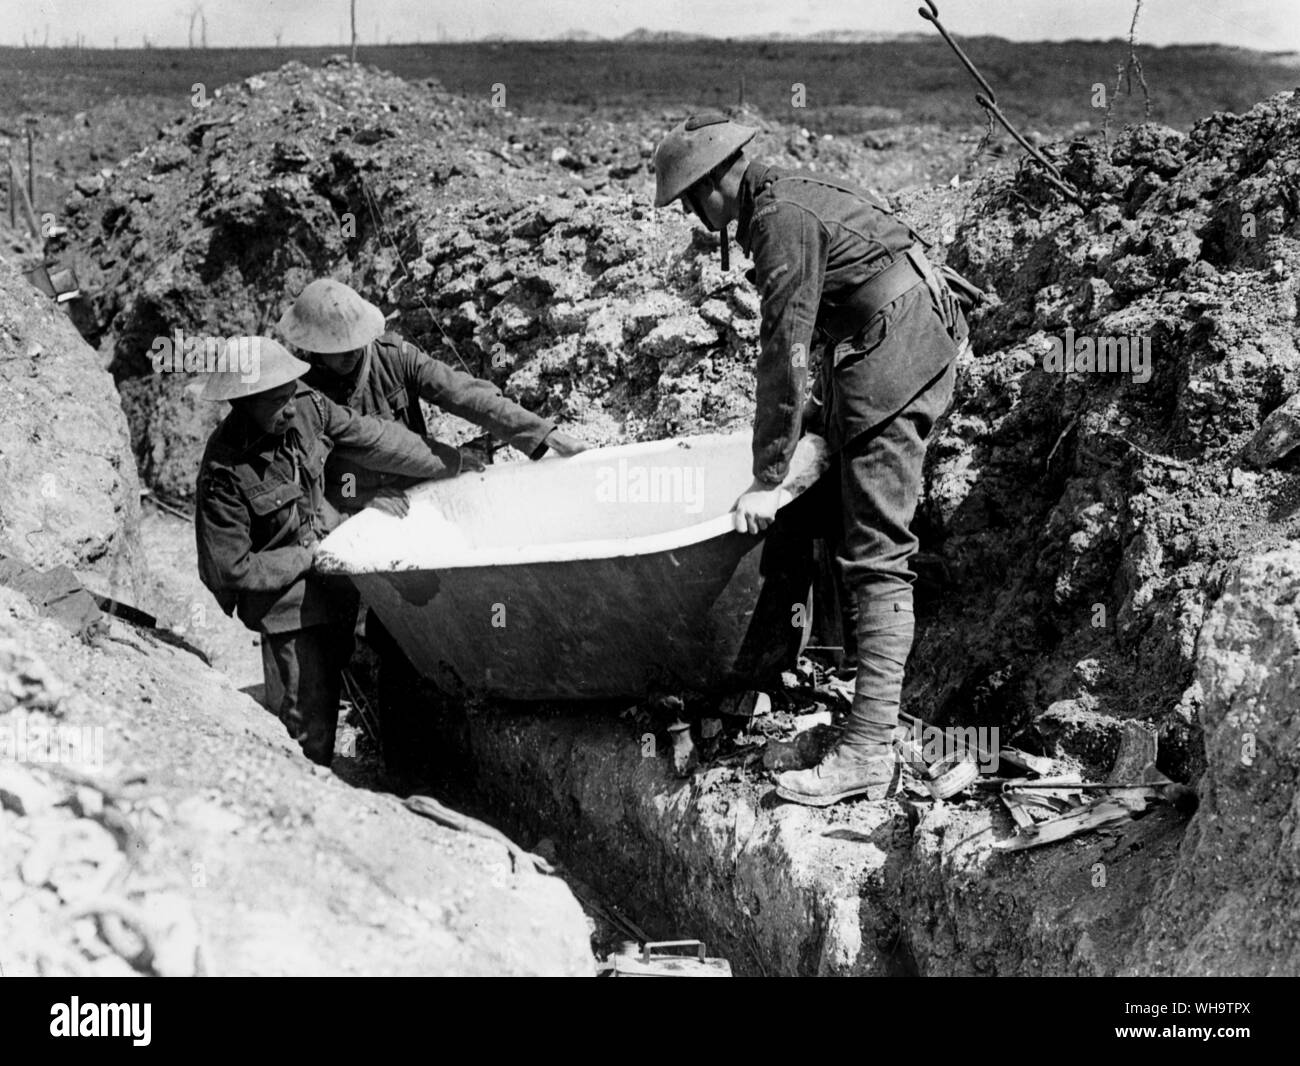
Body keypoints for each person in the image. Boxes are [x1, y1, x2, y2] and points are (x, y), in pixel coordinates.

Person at [653, 113, 968, 806]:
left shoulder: (777, 217)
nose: (695, 219)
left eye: (690, 201)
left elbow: (784, 351)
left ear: (715, 182)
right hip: (885, 342)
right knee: (830, 507)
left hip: (896, 353)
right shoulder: (788, 189)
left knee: (876, 549)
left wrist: (767, 478)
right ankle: (824, 692)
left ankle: (866, 751)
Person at [194, 336, 464, 767]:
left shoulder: (305, 406)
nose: (289, 408)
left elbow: (375, 438)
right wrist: (308, 553)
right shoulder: (224, 471)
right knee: (307, 725)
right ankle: (307, 801)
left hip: (333, 583)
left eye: (290, 395)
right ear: (242, 403)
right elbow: (227, 568)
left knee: (329, 684)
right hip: (285, 603)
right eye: (275, 402)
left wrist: (454, 463)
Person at [276, 278, 586, 519]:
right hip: (361, 504)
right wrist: (360, 498)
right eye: (337, 350)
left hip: (420, 481)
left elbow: (462, 393)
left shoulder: (394, 356)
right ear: (313, 348)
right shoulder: (303, 394)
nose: (349, 355)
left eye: (353, 344)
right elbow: (305, 479)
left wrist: (543, 433)